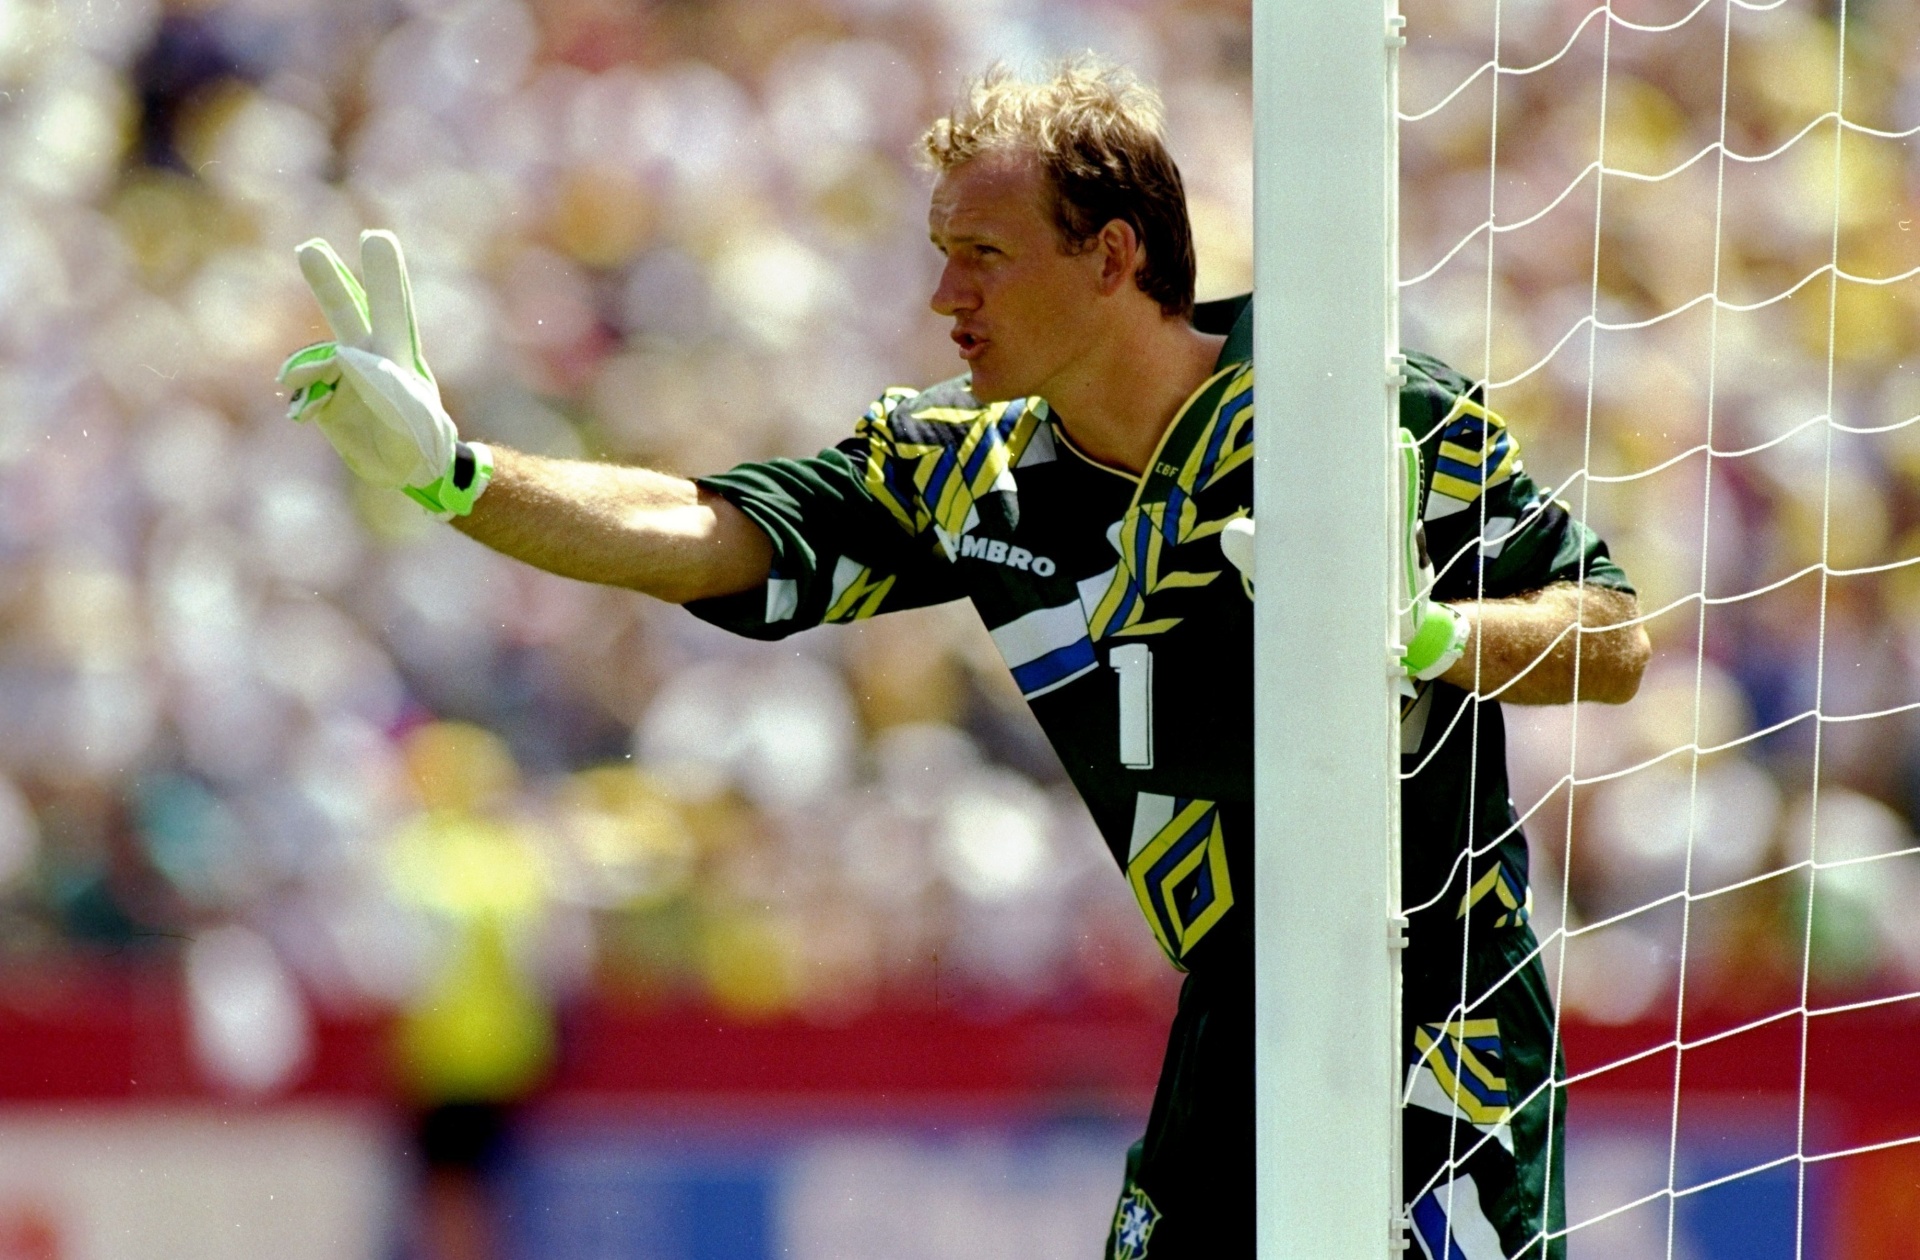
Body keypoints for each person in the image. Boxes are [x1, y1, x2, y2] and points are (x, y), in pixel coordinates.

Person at [280, 58, 1649, 1260]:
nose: (943, 295)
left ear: (1115, 257)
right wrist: (461, 479)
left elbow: (1614, 636)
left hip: (1446, 1021)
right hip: (1236, 1030)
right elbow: (706, 529)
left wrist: (1431, 636)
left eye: (983, 254)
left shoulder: (1361, 402)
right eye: (942, 251)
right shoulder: (960, 466)